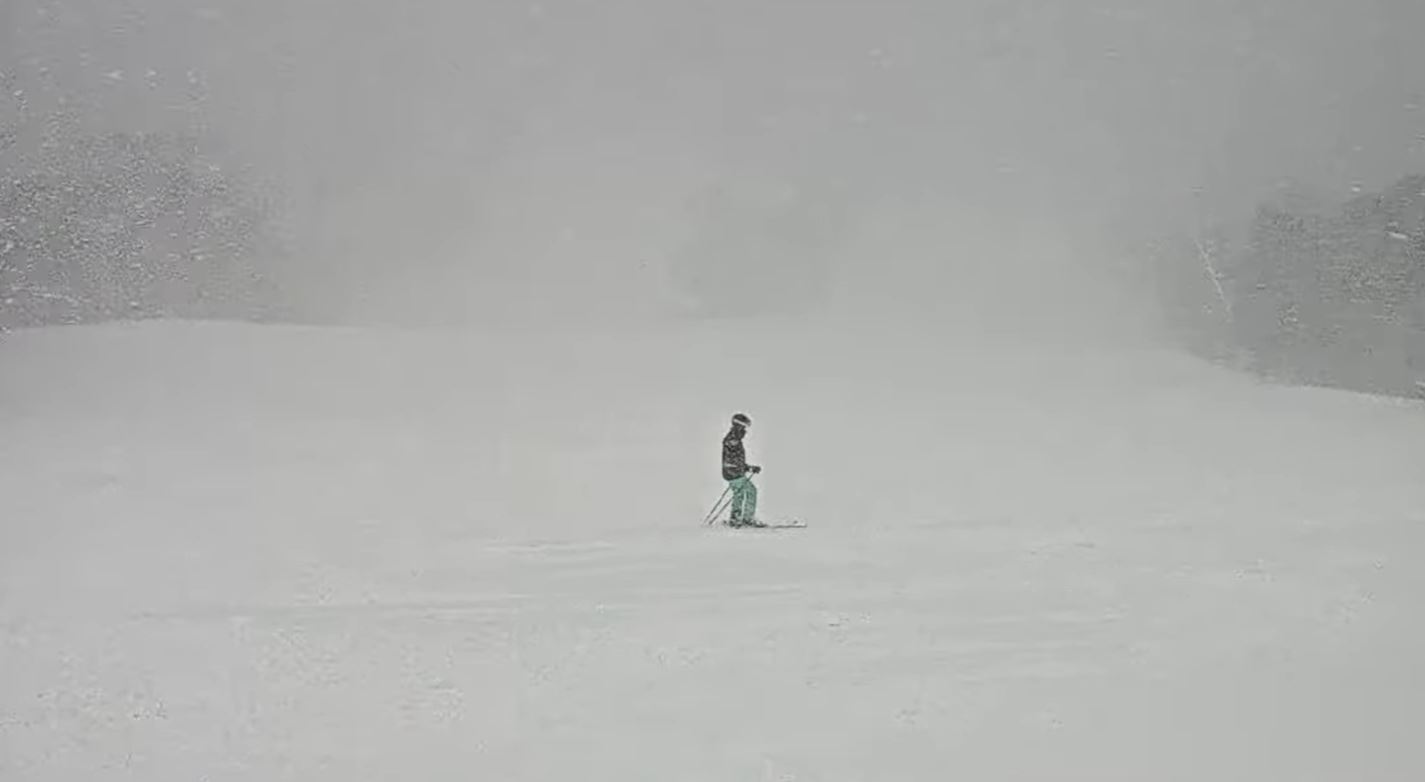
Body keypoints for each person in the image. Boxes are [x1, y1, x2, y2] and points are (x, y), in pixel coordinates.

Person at [721, 413, 763, 527]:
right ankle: (747, 519)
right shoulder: (733, 439)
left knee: (738, 494)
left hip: (731, 473)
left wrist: (748, 468)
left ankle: (735, 518)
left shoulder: (733, 438)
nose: (745, 430)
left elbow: (735, 460)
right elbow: (733, 460)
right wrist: (747, 468)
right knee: (751, 491)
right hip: (734, 473)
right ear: (738, 426)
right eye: (744, 427)